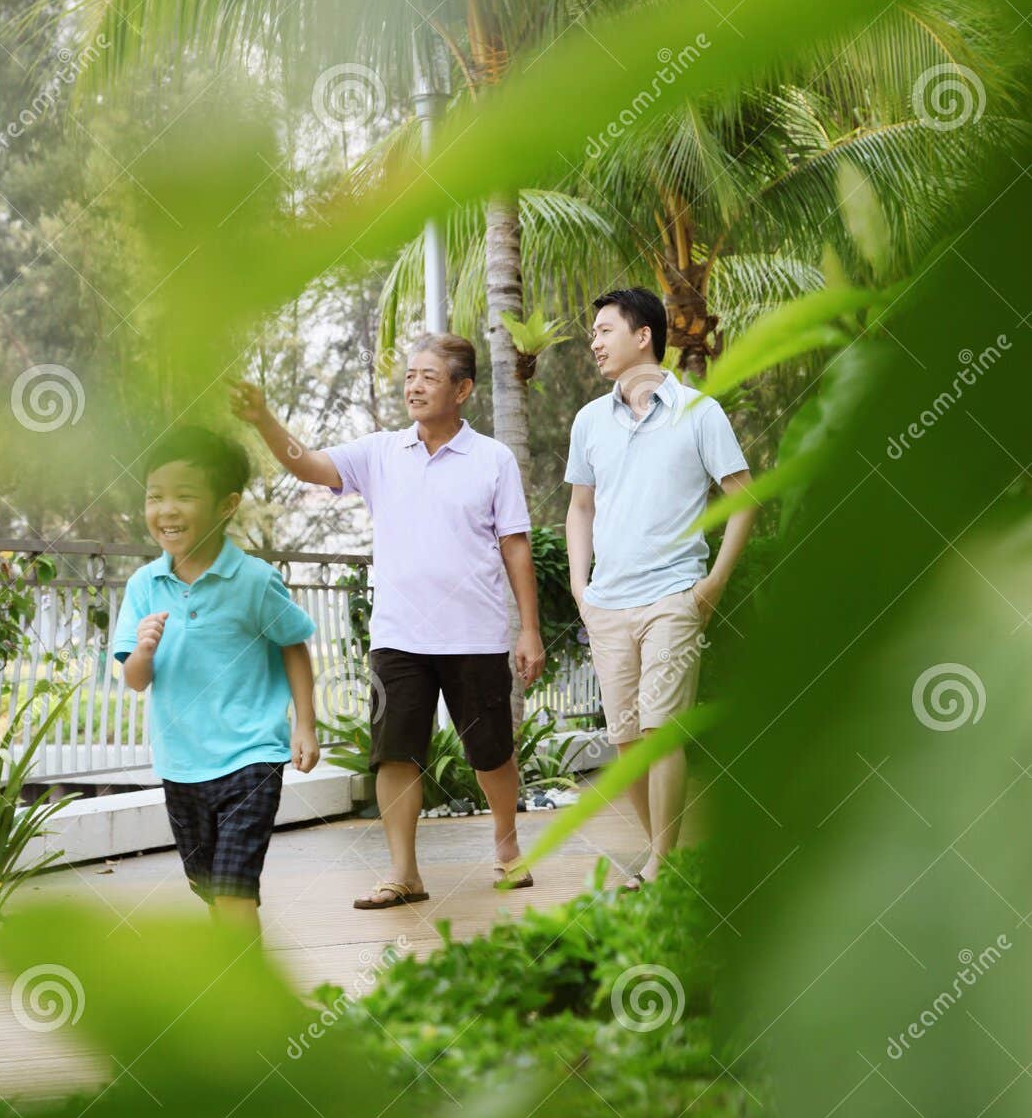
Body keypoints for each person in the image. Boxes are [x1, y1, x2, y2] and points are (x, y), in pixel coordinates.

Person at [231, 333, 546, 910]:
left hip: (473, 635)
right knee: (394, 753)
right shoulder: (380, 452)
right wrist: (264, 420)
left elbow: (516, 547)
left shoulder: (492, 460)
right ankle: (405, 873)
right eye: (409, 376)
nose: (415, 386)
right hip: (399, 636)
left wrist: (528, 629)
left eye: (429, 376)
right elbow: (310, 467)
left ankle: (507, 847)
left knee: (491, 751)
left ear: (463, 388)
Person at [565, 288, 755, 890]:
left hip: (675, 596)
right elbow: (579, 507)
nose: (593, 342)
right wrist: (579, 588)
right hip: (608, 602)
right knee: (626, 741)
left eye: (603, 331)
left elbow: (743, 497)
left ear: (642, 335)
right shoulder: (590, 420)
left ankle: (661, 863)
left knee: (658, 730)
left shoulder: (699, 413)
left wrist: (712, 584)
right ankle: (661, 851)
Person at [112, 426, 319, 936]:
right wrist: (142, 650)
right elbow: (136, 680)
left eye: (184, 496)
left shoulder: (253, 580)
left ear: (226, 505)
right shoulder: (144, 585)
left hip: (252, 753)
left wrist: (305, 725)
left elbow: (293, 645)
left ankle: (247, 1000)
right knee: (209, 885)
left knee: (233, 888)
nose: (167, 510)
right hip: (181, 762)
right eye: (155, 496)